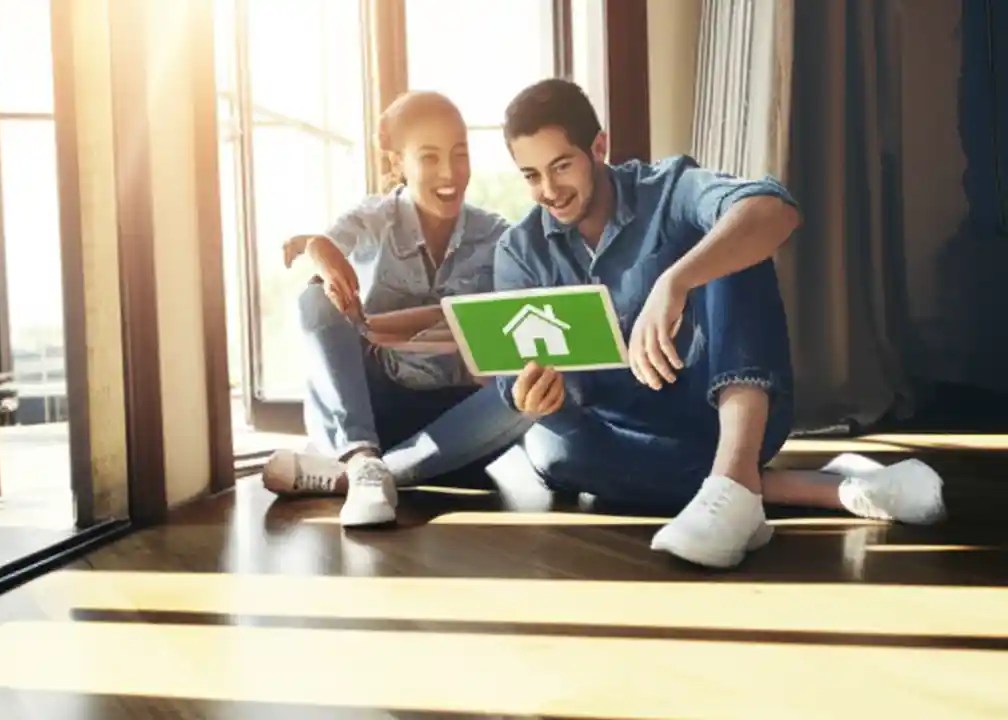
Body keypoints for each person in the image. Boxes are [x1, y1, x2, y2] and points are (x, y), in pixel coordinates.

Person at [495, 78, 946, 568]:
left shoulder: (668, 189)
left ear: (598, 146)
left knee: (735, 241)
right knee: (547, 447)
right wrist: (526, 393)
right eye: (531, 176)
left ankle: (735, 475)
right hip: (628, 441)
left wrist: (677, 279)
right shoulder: (520, 253)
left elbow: (774, 210)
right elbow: (510, 375)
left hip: (730, 411)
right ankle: (816, 490)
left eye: (561, 166)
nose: (549, 191)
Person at [262, 90, 535, 527]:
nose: (449, 172)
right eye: (429, 158)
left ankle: (357, 474)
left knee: (532, 389)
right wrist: (320, 253)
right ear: (397, 165)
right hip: (368, 407)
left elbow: (511, 329)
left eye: (459, 154)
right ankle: (361, 453)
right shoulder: (374, 218)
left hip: (449, 427)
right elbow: (327, 247)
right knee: (314, 298)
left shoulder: (498, 235)